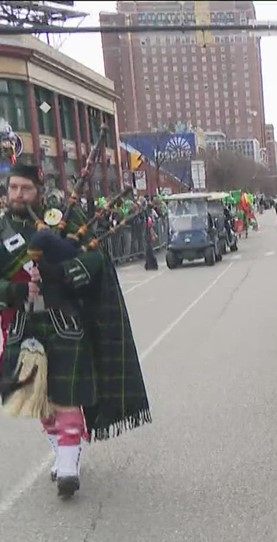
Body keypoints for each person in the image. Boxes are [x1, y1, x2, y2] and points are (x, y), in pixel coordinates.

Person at [1, 164, 151, 498]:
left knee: (66, 394)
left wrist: (62, 272)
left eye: (26, 188)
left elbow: (95, 259)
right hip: (22, 323)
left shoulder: (61, 220)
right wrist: (14, 291)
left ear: (39, 190)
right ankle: (61, 450)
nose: (18, 195)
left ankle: (69, 463)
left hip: (63, 321)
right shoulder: (1, 230)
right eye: (13, 188)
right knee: (39, 398)